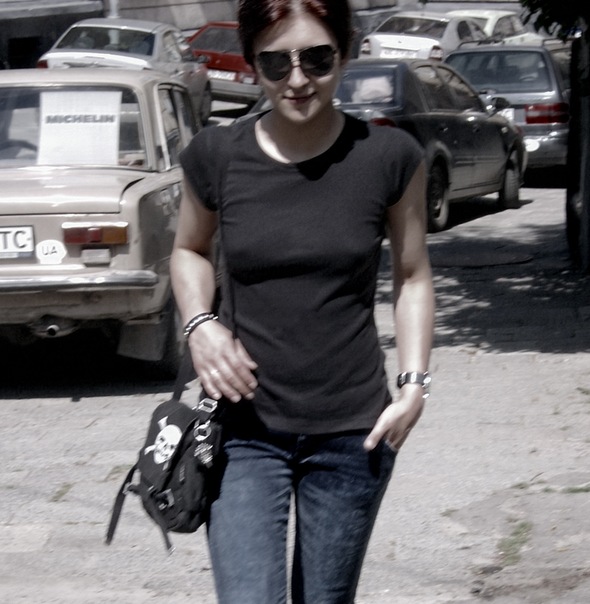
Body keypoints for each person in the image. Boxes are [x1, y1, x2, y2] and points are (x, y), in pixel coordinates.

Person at [170, 0, 435, 602]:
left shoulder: (389, 157)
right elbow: (188, 251)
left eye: (317, 59)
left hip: (353, 434)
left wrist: (414, 385)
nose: (297, 79)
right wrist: (201, 324)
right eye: (275, 62)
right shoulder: (216, 155)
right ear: (251, 63)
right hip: (242, 430)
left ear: (345, 54)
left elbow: (413, 274)